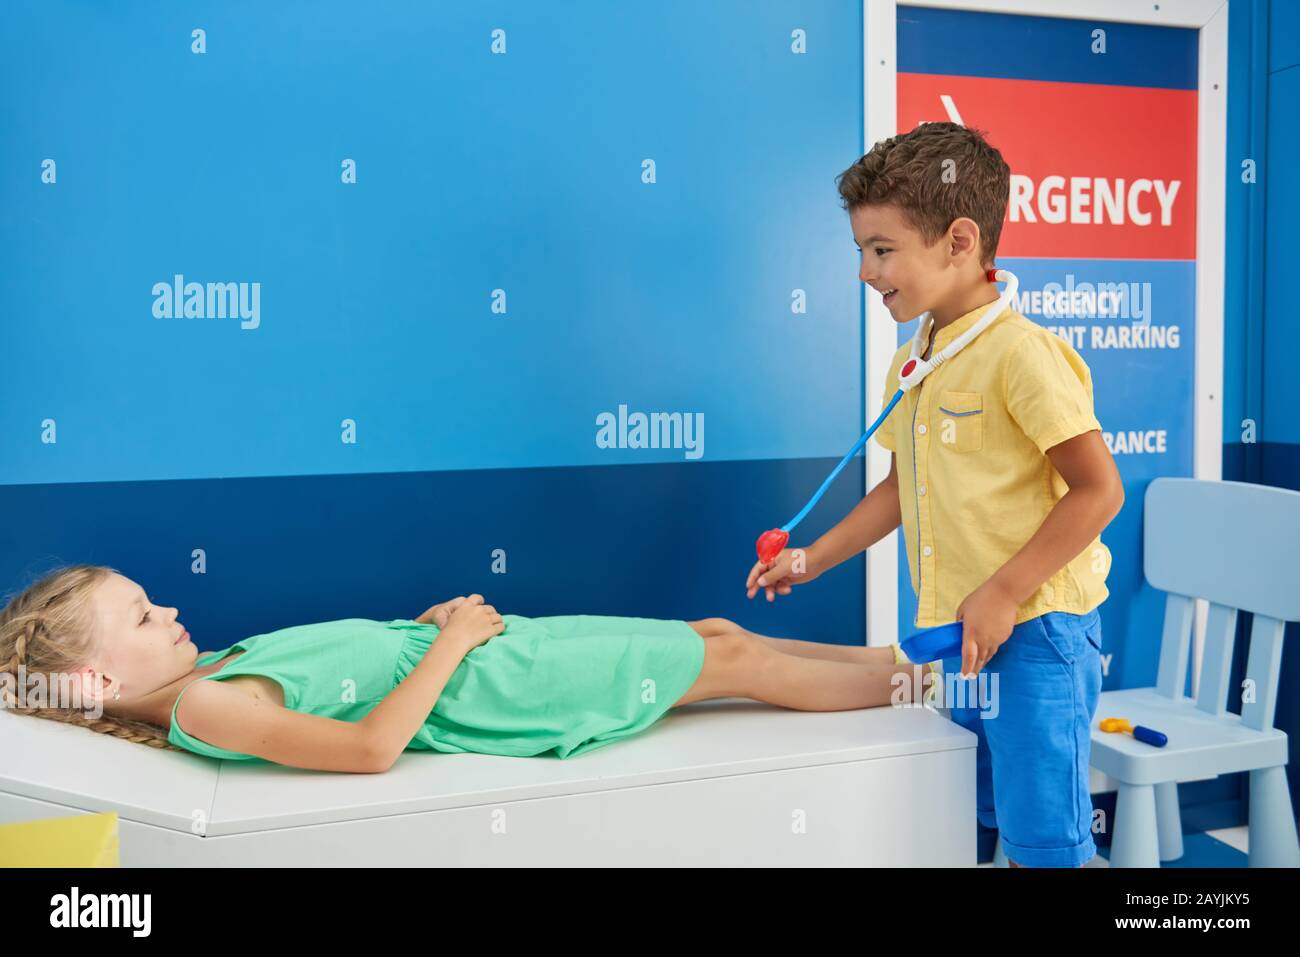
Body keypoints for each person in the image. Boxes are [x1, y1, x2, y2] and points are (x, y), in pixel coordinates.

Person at [745, 121, 1124, 867]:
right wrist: (812, 559)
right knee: (973, 817)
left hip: (1039, 634)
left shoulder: (1021, 356)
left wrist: (1004, 589)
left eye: (882, 250)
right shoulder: (914, 359)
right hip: (961, 637)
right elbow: (899, 488)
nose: (864, 270)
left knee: (1045, 841)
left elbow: (1099, 490)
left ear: (959, 241)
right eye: (860, 249)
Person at [0, 564, 938, 772]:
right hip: (497, 684)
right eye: (139, 615)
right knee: (731, 658)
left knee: (714, 628)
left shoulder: (205, 672)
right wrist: (448, 645)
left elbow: (348, 673)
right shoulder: (203, 703)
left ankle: (902, 660)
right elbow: (369, 747)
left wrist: (426, 625)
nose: (167, 611)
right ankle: (925, 681)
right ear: (95, 680)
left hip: (481, 653)